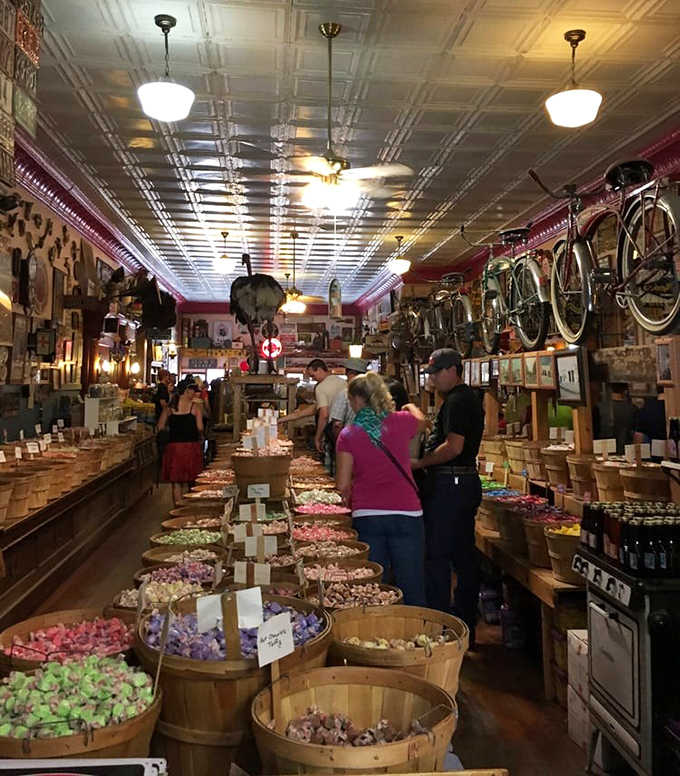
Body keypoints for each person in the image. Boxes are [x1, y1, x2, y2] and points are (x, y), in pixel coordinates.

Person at [335, 372, 427, 606]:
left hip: (367, 515)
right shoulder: (403, 421)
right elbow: (422, 421)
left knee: (374, 585)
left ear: (357, 399)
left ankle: (377, 635)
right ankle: (420, 635)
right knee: (412, 582)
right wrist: (411, 405)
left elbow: (342, 485)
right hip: (407, 513)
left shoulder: (348, 434)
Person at [412, 349, 484, 645]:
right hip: (462, 483)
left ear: (455, 370)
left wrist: (420, 463)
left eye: (438, 373)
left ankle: (442, 626)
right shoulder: (465, 399)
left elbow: (454, 447)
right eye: (431, 374)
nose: (434, 380)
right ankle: (464, 625)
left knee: (439, 556)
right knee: (463, 555)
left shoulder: (456, 401)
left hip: (451, 484)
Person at [279, 359, 345, 462]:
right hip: (346, 430)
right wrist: (281, 420)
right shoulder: (343, 382)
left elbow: (324, 414)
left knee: (331, 466)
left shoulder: (321, 387)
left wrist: (317, 438)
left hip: (333, 432)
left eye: (313, 375)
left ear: (319, 370)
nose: (313, 379)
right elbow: (308, 411)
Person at [157, 379, 204, 506]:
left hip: (174, 447)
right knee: (192, 480)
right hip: (191, 446)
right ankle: (190, 509)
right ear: (187, 391)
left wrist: (171, 426)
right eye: (194, 391)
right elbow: (200, 427)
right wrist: (200, 436)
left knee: (176, 482)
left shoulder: (170, 407)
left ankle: (178, 510)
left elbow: (160, 426)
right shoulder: (195, 407)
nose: (195, 394)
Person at [328, 358, 370, 441]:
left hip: (348, 440)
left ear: (351, 374)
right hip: (368, 440)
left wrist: (338, 443)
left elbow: (337, 424)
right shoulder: (372, 392)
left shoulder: (344, 394)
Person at [594, 382, 638, 455]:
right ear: (625, 391)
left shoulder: (599, 407)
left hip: (603, 448)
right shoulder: (633, 409)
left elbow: (595, 430)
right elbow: (636, 432)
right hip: (625, 449)